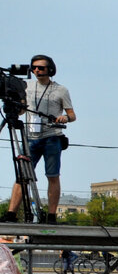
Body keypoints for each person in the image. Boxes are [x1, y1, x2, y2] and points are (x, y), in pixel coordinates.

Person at [3, 55, 75, 224]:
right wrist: (14, 109)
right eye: (34, 67)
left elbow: (72, 115)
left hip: (52, 137)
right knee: (22, 177)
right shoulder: (26, 86)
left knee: (53, 175)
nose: (36, 70)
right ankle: (11, 213)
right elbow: (22, 111)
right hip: (30, 137)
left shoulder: (61, 90)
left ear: (50, 70)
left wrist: (64, 118)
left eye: (41, 68)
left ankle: (51, 215)